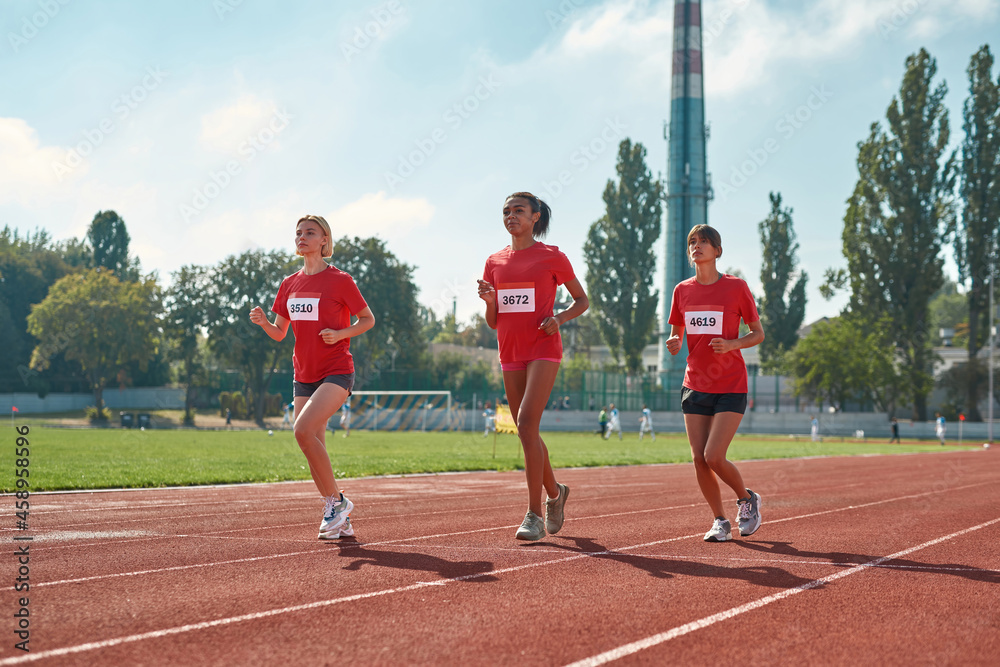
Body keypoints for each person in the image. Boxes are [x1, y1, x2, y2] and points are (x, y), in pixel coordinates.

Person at [250, 214, 375, 540]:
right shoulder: (289, 284)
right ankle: (339, 516)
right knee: (312, 440)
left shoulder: (340, 281)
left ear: (324, 240)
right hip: (303, 374)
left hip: (336, 371)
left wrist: (341, 332)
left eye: (310, 232)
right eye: (298, 233)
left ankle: (338, 502)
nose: (302, 237)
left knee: (302, 430)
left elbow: (367, 319)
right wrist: (264, 322)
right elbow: (280, 333)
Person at [478, 191, 589, 541]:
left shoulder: (552, 257)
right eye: (507, 211)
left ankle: (534, 514)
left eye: (519, 211)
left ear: (535, 217)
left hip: (543, 348)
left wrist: (559, 318)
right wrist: (490, 301)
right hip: (509, 352)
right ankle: (556, 493)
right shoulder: (494, 261)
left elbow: (582, 300)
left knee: (526, 423)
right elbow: (493, 322)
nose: (511, 216)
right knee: (527, 430)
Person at [665, 224, 765, 543]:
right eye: (693, 242)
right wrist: (674, 342)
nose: (698, 246)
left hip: (730, 384)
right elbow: (678, 331)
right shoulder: (682, 290)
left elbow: (758, 333)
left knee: (713, 456)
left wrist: (732, 344)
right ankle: (719, 520)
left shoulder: (736, 288)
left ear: (717, 251)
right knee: (698, 458)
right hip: (694, 383)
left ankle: (746, 498)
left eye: (705, 242)